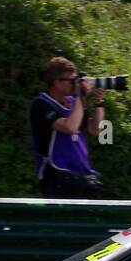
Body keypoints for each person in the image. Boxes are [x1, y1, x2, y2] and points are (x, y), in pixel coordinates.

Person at [29, 56, 106, 198]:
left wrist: (98, 103)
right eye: (72, 81)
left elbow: (96, 130)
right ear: (57, 83)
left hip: (83, 175)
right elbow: (69, 127)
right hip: (58, 175)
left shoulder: (73, 102)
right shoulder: (41, 104)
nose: (75, 84)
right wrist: (80, 96)